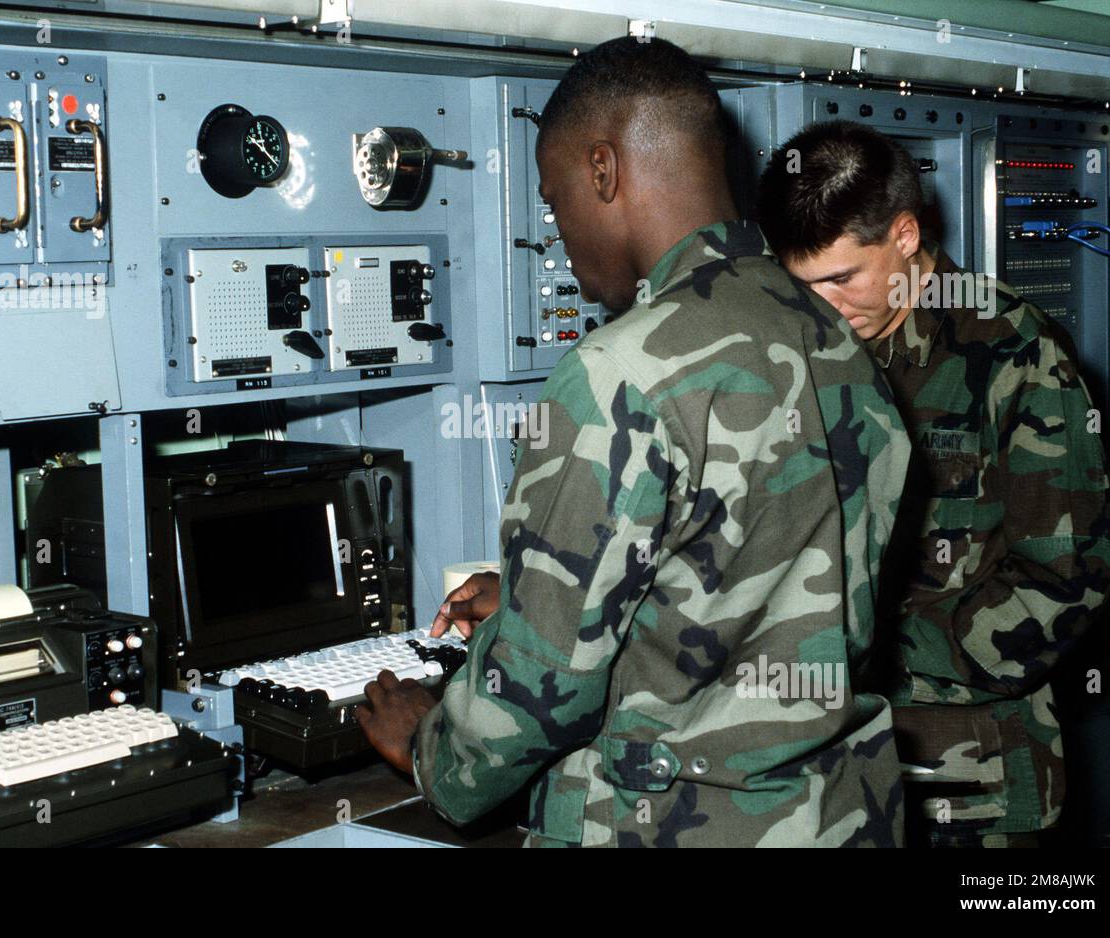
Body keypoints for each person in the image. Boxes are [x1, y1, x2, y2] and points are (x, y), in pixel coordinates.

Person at [356, 37, 911, 847]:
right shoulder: (832, 335)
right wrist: (527, 599)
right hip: (844, 815)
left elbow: (543, 697)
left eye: (555, 202)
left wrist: (429, 747)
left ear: (604, 171)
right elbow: (767, 593)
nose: (561, 241)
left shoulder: (620, 372)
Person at [756, 120, 1110, 846]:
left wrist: (872, 649)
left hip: (974, 786)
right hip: (823, 782)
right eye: (802, 286)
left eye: (841, 279)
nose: (822, 308)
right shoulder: (797, 351)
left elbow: (1069, 578)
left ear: (905, 235)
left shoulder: (1013, 351)